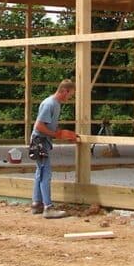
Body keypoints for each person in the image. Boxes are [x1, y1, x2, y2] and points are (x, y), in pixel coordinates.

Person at [29, 79, 76, 219]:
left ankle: (37, 204)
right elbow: (39, 126)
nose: (70, 98)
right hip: (40, 141)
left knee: (40, 172)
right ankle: (48, 208)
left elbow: (48, 126)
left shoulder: (55, 104)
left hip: (41, 141)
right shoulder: (50, 103)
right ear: (64, 91)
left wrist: (62, 133)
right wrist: (57, 134)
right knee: (45, 174)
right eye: (70, 95)